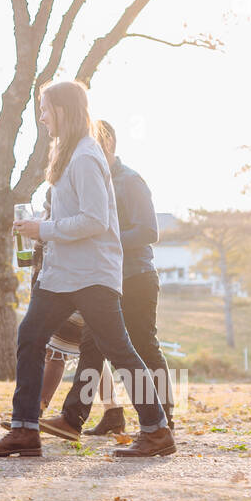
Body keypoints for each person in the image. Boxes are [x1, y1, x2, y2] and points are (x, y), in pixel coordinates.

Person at [0, 80, 175, 458]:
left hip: (91, 274)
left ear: (64, 110)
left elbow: (96, 220)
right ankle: (24, 430)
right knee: (30, 337)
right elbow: (74, 214)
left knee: (120, 349)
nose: (42, 116)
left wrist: (44, 229)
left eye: (45, 108)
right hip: (63, 274)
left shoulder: (85, 155)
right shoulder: (69, 154)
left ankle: (157, 430)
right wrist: (41, 226)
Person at [71, 121, 174, 435]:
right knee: (91, 347)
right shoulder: (91, 181)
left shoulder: (131, 181)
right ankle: (75, 420)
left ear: (110, 142)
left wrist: (105, 238)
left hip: (136, 277)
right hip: (103, 279)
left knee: (144, 345)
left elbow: (149, 231)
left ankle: (162, 420)